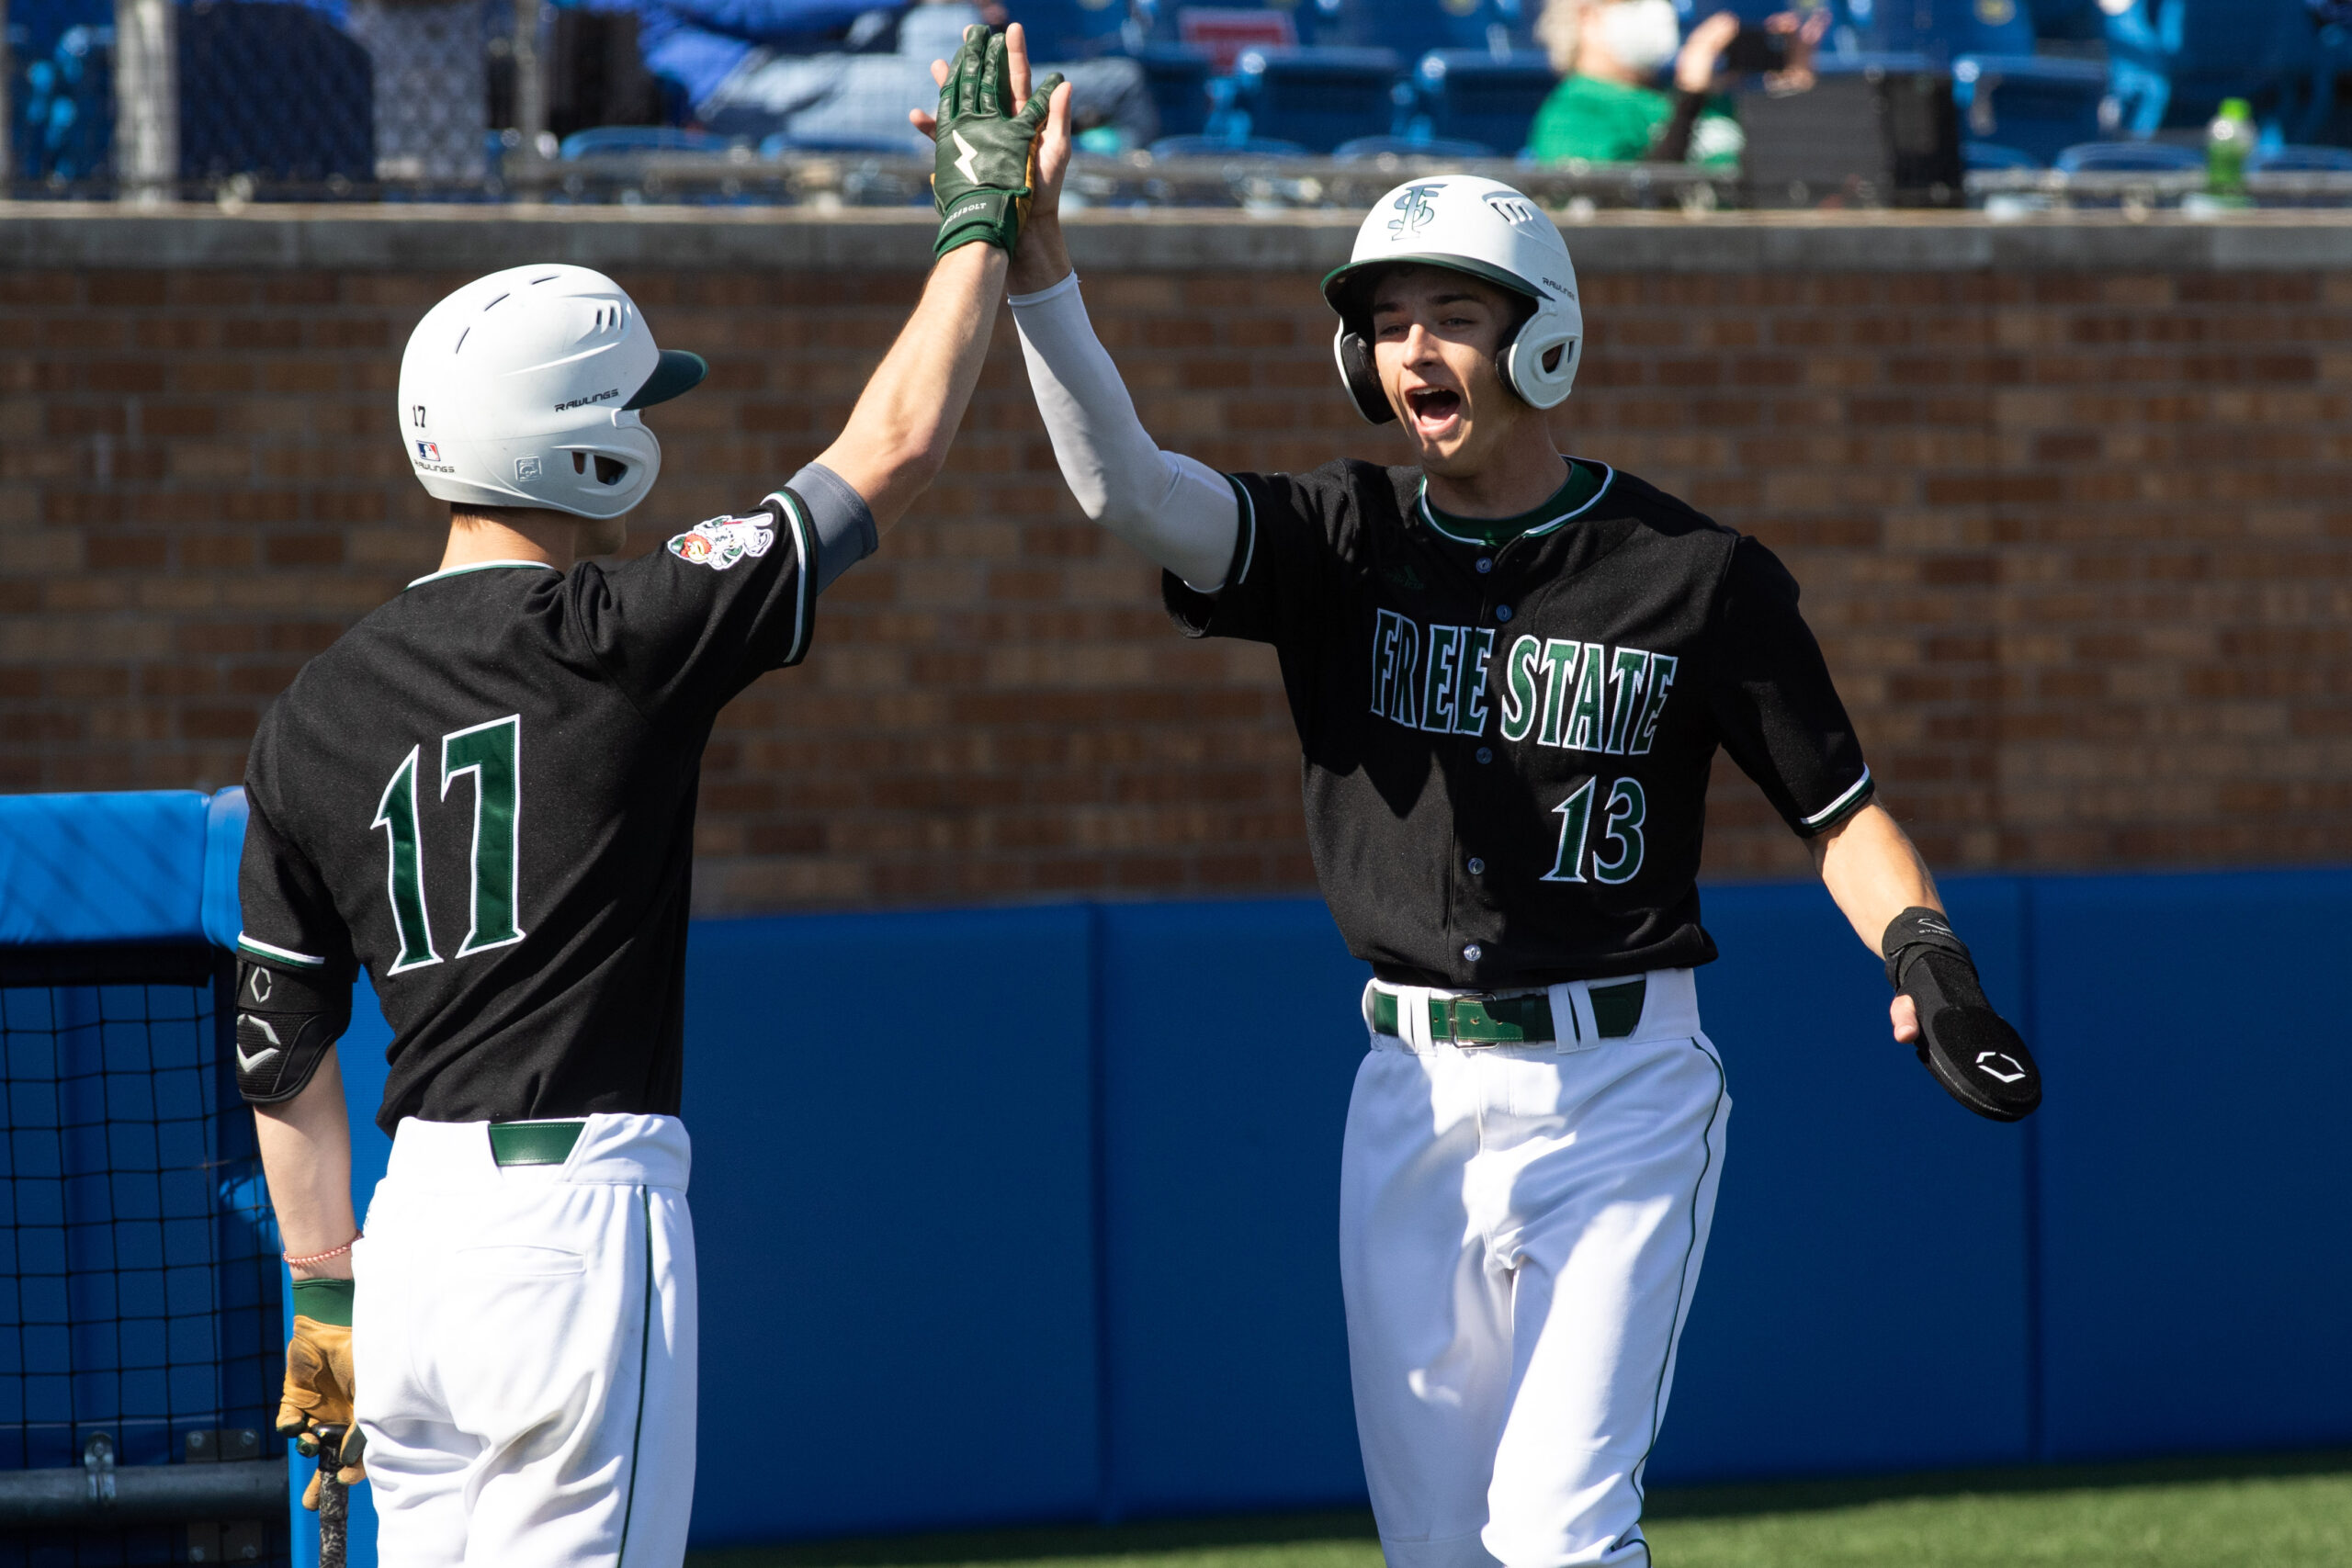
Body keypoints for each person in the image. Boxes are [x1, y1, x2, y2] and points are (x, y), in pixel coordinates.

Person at [1003, 152, 2042, 1566]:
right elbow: (1126, 490)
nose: (1414, 347)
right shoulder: (1340, 536)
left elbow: (1839, 812)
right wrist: (1038, 274)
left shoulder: (1694, 571)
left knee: (1557, 1533)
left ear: (1541, 334)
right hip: (1410, 1096)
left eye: (1454, 312)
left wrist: (1930, 950)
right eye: (1386, 320)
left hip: (1620, 1085)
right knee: (1442, 1552)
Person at [235, 27, 1066, 1564]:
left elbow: (282, 1051)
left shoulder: (308, 712)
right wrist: (972, 225)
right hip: (571, 1229)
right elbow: (894, 447)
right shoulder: (621, 636)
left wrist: (327, 1310)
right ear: (581, 438)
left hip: (402, 1252)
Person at [637, 0, 1155, 152]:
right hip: (736, 87)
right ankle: (1092, 105)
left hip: (785, 57)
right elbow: (758, 11)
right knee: (955, 96)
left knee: (938, 22)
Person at [1526, 0, 1822, 166]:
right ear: (1587, 16)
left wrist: (1794, 89)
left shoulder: (1704, 97)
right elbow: (1630, 209)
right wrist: (1690, 98)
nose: (1658, 9)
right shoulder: (1573, 113)